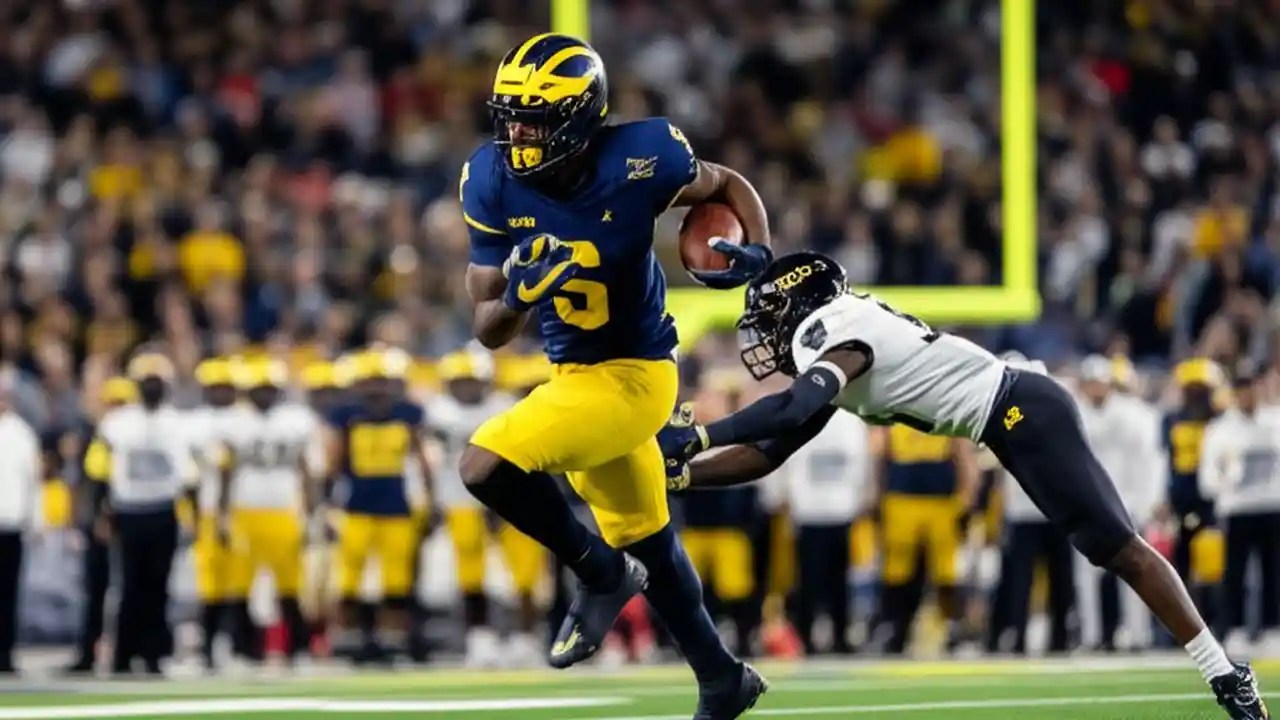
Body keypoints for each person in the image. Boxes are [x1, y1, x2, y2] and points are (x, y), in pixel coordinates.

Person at [659, 251, 1268, 720]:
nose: (763, 337)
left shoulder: (836, 326)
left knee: (1117, 547)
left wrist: (701, 434)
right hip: (1008, 418)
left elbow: (788, 412)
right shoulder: (836, 341)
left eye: (769, 319)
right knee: (1111, 548)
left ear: (802, 308)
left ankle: (1225, 672)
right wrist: (681, 474)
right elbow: (769, 452)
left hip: (1019, 410)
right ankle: (1223, 670)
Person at [457, 33, 772, 716]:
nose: (516, 133)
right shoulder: (489, 178)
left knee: (483, 464)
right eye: (509, 116)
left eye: (533, 120)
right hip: (575, 374)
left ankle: (598, 574)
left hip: (638, 372)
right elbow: (487, 328)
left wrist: (760, 253)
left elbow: (727, 184)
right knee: (648, 542)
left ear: (580, 116)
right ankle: (723, 679)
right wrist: (517, 296)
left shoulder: (643, 157)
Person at [427, 347, 543, 667]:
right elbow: (431, 461)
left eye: (472, 381)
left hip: (509, 499)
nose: (466, 388)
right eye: (460, 381)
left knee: (525, 574)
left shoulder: (502, 408)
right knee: (470, 574)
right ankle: (479, 639)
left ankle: (526, 639)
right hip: (460, 500)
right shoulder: (438, 412)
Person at [84, 351, 196, 676]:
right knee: (129, 586)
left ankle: (154, 654)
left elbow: (189, 476)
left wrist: (194, 514)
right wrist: (101, 513)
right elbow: (99, 474)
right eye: (146, 382)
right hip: (128, 510)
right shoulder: (118, 423)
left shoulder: (177, 423)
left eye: (156, 382)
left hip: (163, 508)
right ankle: (123, 655)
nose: (151, 388)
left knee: (159, 586)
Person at [326, 346, 436, 664]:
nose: (376, 389)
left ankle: (392, 639)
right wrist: (327, 502)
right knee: (350, 580)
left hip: (396, 505)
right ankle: (353, 638)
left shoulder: (408, 414)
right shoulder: (347, 415)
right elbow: (334, 462)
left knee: (396, 581)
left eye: (381, 381)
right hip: (356, 504)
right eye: (369, 381)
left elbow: (423, 460)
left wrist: (430, 499)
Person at [217, 357, 318, 664]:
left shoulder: (296, 420)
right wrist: (223, 514)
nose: (264, 394)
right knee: (240, 584)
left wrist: (311, 512)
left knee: (290, 584)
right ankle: (244, 648)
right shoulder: (235, 421)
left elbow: (307, 470)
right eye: (259, 388)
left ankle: (297, 647)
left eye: (269, 388)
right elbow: (225, 471)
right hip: (245, 509)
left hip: (284, 509)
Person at [1073, 355, 1161, 652]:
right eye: (1091, 383)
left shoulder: (1131, 415)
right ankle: (1092, 636)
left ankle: (1137, 635)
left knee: (1134, 570)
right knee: (1086, 577)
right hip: (1090, 503)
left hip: (1127, 502)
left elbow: (1147, 461)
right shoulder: (1076, 413)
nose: (1096, 389)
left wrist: (1146, 501)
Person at [869, 422, 977, 654]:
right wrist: (876, 497)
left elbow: (963, 453)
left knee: (947, 573)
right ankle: (894, 628)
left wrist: (967, 498)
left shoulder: (945, 411)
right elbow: (880, 456)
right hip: (901, 498)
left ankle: (953, 629)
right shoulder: (892, 413)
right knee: (897, 572)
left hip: (941, 500)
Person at [1200, 364, 1280, 656]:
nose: (1249, 396)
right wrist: (1224, 484)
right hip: (1237, 509)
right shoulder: (1220, 429)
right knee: (1234, 573)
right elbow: (1207, 476)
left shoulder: (1275, 422)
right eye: (1243, 390)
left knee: (1273, 573)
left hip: (1272, 506)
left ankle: (1272, 630)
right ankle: (1232, 629)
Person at [779, 404, 869, 655]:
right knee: (811, 582)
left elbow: (861, 464)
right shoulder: (805, 417)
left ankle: (837, 635)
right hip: (811, 512)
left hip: (838, 511)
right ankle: (807, 636)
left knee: (836, 582)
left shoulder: (849, 421)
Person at [64, 376, 137, 674]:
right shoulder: (95, 436)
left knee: (125, 591)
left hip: (125, 519)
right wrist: (94, 519)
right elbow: (92, 483)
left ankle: (124, 654)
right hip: (102, 524)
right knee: (96, 592)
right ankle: (89, 653)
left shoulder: (128, 435)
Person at [188, 356, 250, 669]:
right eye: (216, 386)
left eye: (226, 386)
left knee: (240, 583)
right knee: (210, 584)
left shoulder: (245, 420)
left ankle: (243, 648)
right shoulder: (195, 423)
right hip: (210, 509)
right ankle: (210, 647)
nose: (221, 392)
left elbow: (230, 467)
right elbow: (191, 476)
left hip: (245, 509)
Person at [0, 368, 41, 675]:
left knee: (9, 593)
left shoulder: (21, 433)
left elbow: (33, 480)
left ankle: (5, 653)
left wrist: (34, 519)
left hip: (11, 524)